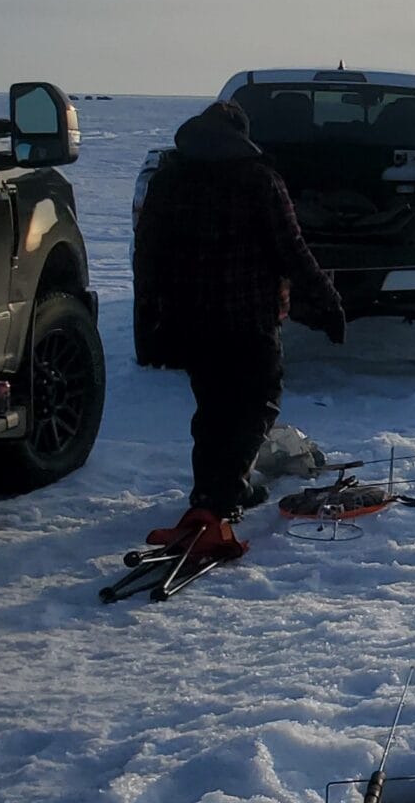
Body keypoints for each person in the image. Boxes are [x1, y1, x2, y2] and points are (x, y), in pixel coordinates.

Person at [132, 100, 347, 562]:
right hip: (249, 319)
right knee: (256, 405)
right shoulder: (258, 180)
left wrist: (147, 322)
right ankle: (219, 500)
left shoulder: (169, 180)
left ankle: (216, 492)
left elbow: (146, 255)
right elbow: (292, 250)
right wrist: (327, 302)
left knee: (213, 409)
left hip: (188, 319)